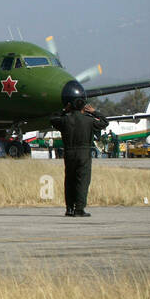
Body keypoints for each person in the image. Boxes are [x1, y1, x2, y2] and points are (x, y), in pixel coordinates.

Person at [51, 86, 107, 217]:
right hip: (84, 153)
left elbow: (52, 119)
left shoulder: (65, 120)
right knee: (82, 181)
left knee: (69, 180)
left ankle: (69, 208)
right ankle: (79, 209)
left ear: (70, 106)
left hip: (69, 153)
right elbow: (105, 122)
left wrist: (64, 111)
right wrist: (94, 112)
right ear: (84, 107)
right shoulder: (89, 120)